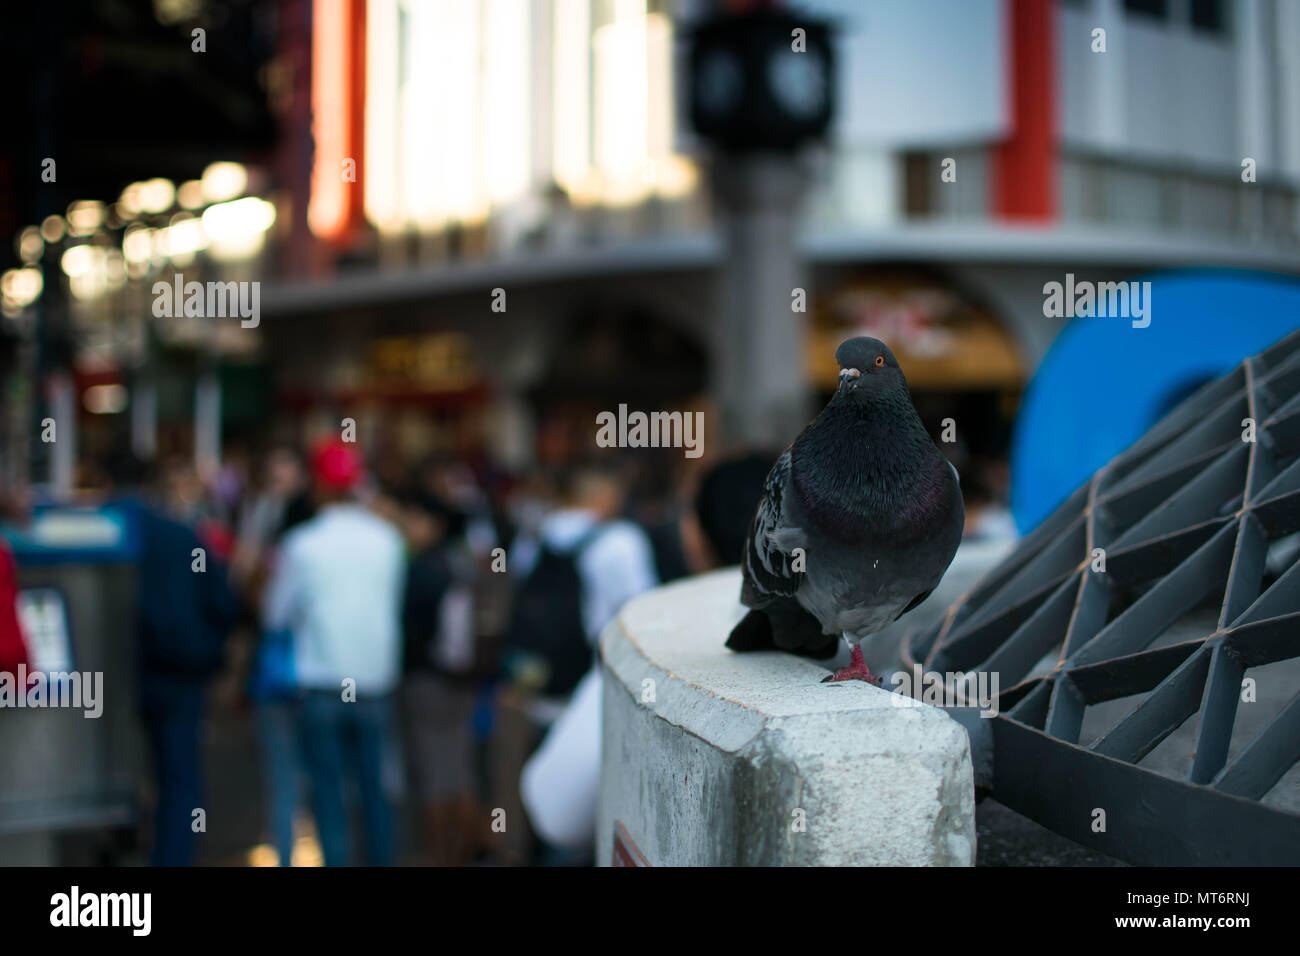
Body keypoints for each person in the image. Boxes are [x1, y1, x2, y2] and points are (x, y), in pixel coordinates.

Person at [262, 439, 406, 866]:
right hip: (375, 683)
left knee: (329, 798)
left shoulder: (303, 544)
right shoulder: (389, 540)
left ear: (319, 487)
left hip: (322, 685)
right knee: (375, 795)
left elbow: (275, 615)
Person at [516, 460, 658, 858]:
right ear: (604, 495)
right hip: (592, 697)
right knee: (588, 822)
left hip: (542, 689)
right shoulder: (619, 541)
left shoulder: (537, 537)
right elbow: (642, 615)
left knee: (547, 800)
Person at [110, 456, 242, 866]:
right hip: (180, 675)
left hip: (107, 678)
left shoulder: (104, 533)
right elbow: (223, 602)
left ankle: (121, 841)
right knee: (179, 779)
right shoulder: (182, 536)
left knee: (111, 768)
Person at [398, 492, 482, 865]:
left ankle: (439, 856)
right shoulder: (461, 564)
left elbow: (408, 630)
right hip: (462, 681)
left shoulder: (420, 569)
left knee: (434, 776)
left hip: (427, 682)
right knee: (459, 771)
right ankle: (460, 853)